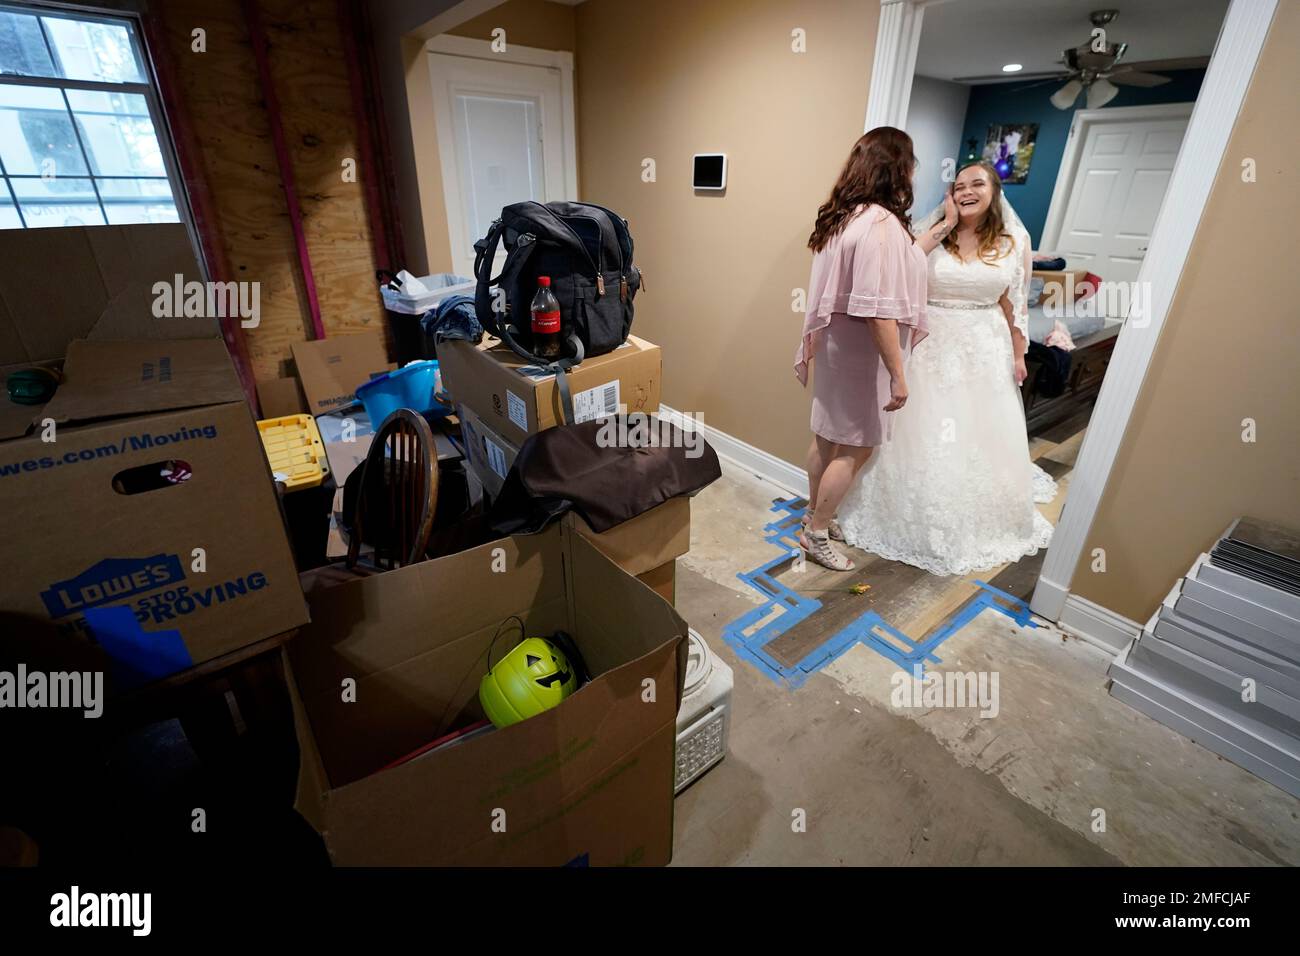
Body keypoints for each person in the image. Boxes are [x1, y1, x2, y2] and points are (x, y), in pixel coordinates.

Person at [837, 161, 1057, 575]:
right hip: (930, 342)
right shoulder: (936, 234)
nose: (966, 191)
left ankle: (975, 513)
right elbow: (902, 266)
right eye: (958, 187)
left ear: (995, 191)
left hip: (983, 345)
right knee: (921, 427)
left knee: (977, 430)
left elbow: (1015, 305)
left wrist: (1017, 353)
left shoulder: (1014, 242)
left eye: (977, 184)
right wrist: (947, 222)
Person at [793, 127, 956, 571]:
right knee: (858, 448)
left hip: (835, 349)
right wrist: (898, 372)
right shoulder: (881, 225)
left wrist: (943, 226)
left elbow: (906, 256)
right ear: (898, 170)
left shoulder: (846, 217)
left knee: (827, 438)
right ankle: (817, 533)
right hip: (863, 355)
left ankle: (813, 515)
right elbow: (876, 309)